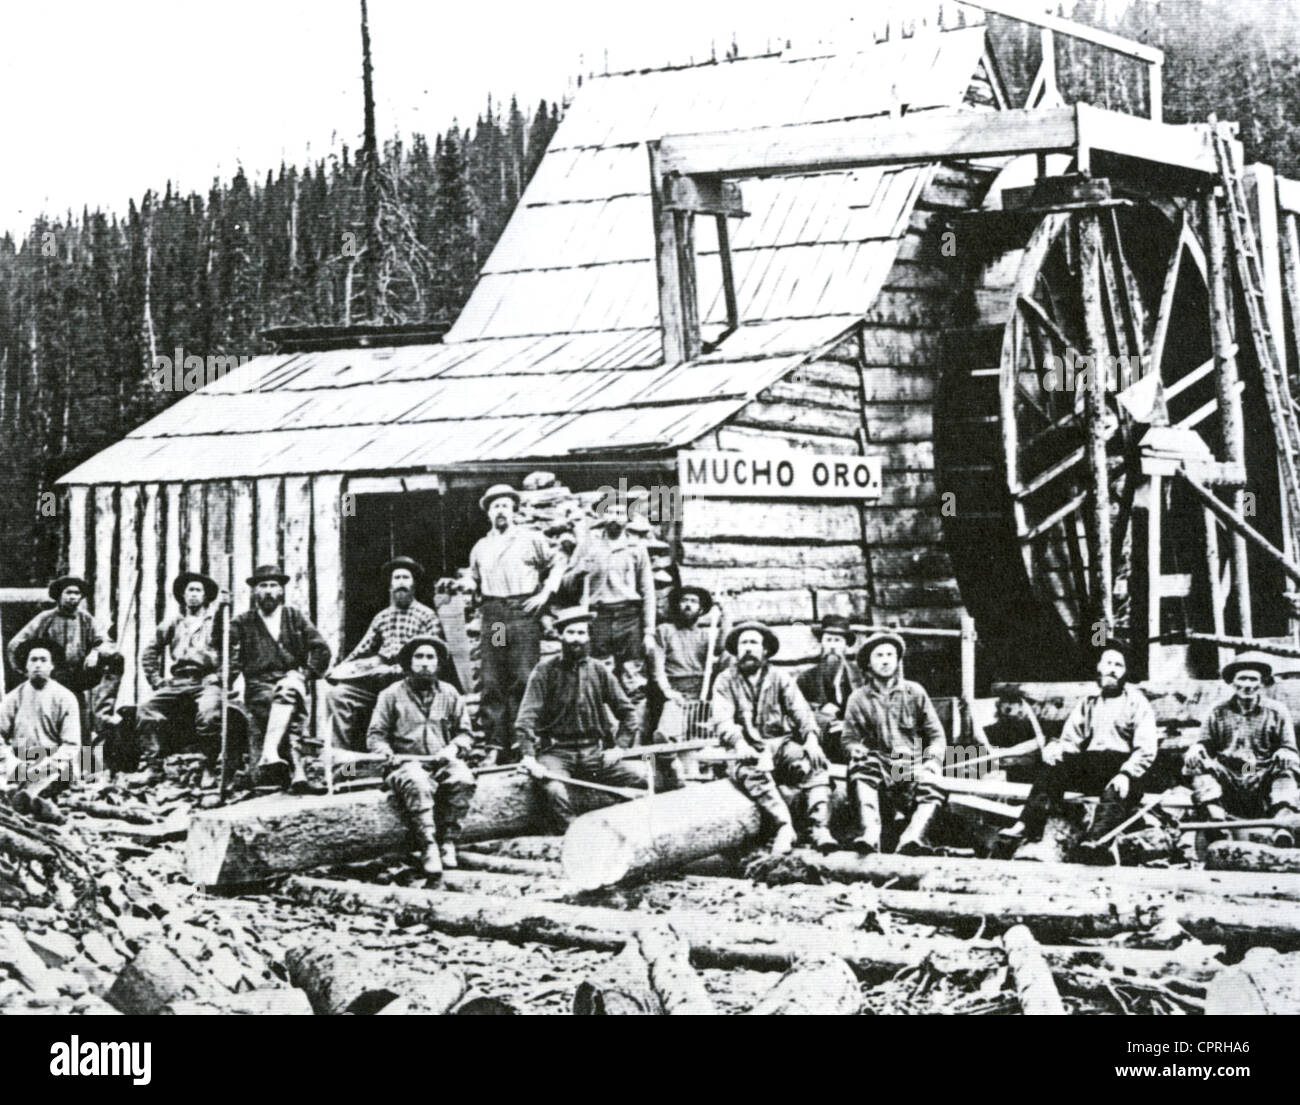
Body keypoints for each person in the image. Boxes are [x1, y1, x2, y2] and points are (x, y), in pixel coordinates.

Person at [999, 641, 1158, 854]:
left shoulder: (1137, 703)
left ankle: (1094, 840)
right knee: (1053, 768)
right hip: (1093, 765)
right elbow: (1071, 740)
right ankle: (1027, 824)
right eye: (1108, 663)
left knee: (1116, 791)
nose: (1112, 669)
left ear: (1125, 673)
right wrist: (1057, 750)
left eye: (1118, 665)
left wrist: (1127, 774)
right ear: (1099, 668)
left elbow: (1146, 748)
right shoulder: (1089, 703)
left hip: (1124, 768)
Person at [515, 607, 647, 830]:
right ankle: (574, 832)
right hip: (557, 753)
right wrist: (528, 756)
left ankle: (634, 826)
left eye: (581, 633)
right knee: (554, 789)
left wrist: (619, 747)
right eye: (571, 633)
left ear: (588, 637)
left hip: (595, 755)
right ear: (560, 636)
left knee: (643, 776)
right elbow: (525, 718)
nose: (576, 639)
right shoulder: (544, 671)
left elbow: (627, 712)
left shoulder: (599, 671)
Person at [711, 620, 832, 854]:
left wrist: (811, 739)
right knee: (754, 773)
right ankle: (784, 826)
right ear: (736, 650)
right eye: (743, 643)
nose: (748, 648)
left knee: (815, 765)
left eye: (754, 643)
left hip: (780, 745)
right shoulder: (724, 680)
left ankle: (819, 827)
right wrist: (739, 743)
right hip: (745, 749)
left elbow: (801, 710)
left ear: (765, 650)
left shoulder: (780, 677)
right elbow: (722, 720)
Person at [367, 636, 477, 880]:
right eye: (419, 657)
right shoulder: (391, 695)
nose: (425, 663)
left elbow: (465, 733)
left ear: (438, 664)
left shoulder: (449, 694)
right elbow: (375, 736)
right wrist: (385, 753)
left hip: (441, 763)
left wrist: (453, 749)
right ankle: (428, 846)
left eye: (430, 657)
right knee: (417, 781)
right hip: (405, 766)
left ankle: (448, 841)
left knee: (464, 778)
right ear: (408, 662)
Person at [470, 485, 564, 763]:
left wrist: (545, 594)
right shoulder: (481, 547)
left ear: (514, 510)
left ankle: (523, 743)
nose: (500, 511)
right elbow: (475, 582)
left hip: (522, 614)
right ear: (488, 513)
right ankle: (495, 745)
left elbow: (558, 563)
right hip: (496, 617)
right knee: (494, 676)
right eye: (495, 506)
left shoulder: (529, 539)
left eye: (505, 506)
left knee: (524, 676)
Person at [327, 557, 448, 753]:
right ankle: (342, 759)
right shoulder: (382, 617)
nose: (401, 582)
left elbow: (429, 659)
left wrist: (392, 669)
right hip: (379, 680)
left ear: (413, 583)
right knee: (337, 694)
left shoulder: (427, 616)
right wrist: (340, 670)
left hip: (410, 682)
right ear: (390, 585)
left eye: (406, 578)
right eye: (397, 578)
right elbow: (362, 649)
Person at [841, 631, 947, 855]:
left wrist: (933, 762)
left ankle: (913, 838)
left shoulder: (914, 692)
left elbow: (937, 735)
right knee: (861, 772)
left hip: (910, 763)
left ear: (898, 660)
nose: (886, 660)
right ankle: (870, 834)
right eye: (879, 655)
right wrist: (855, 749)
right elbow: (848, 739)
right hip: (878, 762)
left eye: (890, 654)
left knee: (932, 784)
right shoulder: (858, 698)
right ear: (868, 664)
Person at [129, 571, 237, 784]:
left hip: (206, 681)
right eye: (190, 590)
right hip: (178, 681)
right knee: (146, 710)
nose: (194, 595)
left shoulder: (217, 622)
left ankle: (208, 768)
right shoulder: (173, 623)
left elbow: (234, 653)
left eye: (198, 590)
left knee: (208, 713)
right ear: (183, 595)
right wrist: (157, 681)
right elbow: (150, 652)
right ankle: (154, 768)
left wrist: (221, 677)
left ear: (206, 596)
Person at [230, 564, 332, 791]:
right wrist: (225, 683)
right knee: (288, 700)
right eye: (262, 586)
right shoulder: (243, 622)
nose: (268, 591)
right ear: (254, 592)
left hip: (290, 678)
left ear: (281, 591)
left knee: (288, 689)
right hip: (259, 685)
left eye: (273, 586)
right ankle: (298, 771)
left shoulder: (293, 617)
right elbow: (227, 652)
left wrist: (305, 673)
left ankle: (273, 757)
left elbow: (321, 648)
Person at [1184, 651, 1300, 827]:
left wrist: (1285, 752)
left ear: (1261, 683)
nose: (1247, 685)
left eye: (1253, 679)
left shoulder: (1277, 711)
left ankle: (1282, 823)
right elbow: (1204, 743)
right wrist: (1196, 749)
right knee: (1195, 764)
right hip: (1229, 773)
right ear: (1232, 682)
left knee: (1288, 768)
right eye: (1242, 679)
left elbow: (1289, 747)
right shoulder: (1217, 710)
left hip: (1260, 772)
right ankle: (1216, 820)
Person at [7, 576, 120, 741]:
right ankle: (42, 763)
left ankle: (86, 765)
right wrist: (26, 668)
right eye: (68, 592)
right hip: (51, 678)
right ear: (59, 595)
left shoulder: (86, 619)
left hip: (76, 680)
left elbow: (105, 641)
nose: (73, 597)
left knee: (82, 725)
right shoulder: (45, 618)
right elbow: (16, 644)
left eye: (77, 593)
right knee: (45, 722)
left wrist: (96, 651)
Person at [562, 513, 656, 667]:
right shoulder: (587, 545)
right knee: (599, 669)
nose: (614, 518)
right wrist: (579, 571)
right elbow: (566, 584)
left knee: (631, 673)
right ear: (603, 516)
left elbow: (647, 590)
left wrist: (649, 631)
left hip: (629, 617)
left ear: (627, 518)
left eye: (619, 513)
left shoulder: (637, 548)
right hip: (598, 617)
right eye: (610, 513)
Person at [0, 640, 82, 800]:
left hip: (53, 764)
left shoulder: (66, 698)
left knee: (46, 786)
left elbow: (71, 744)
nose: (38, 665)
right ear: (26, 666)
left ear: (52, 666)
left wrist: (46, 766)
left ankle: (33, 797)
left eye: (43, 660)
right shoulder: (13, 698)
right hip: (19, 761)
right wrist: (11, 762)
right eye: (33, 660)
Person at [796, 614, 862, 755]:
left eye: (837, 641)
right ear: (822, 644)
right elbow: (798, 711)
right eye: (828, 640)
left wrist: (847, 725)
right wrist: (822, 713)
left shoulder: (860, 676)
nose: (832, 646)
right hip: (823, 740)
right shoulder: (806, 678)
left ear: (846, 646)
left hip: (855, 738)